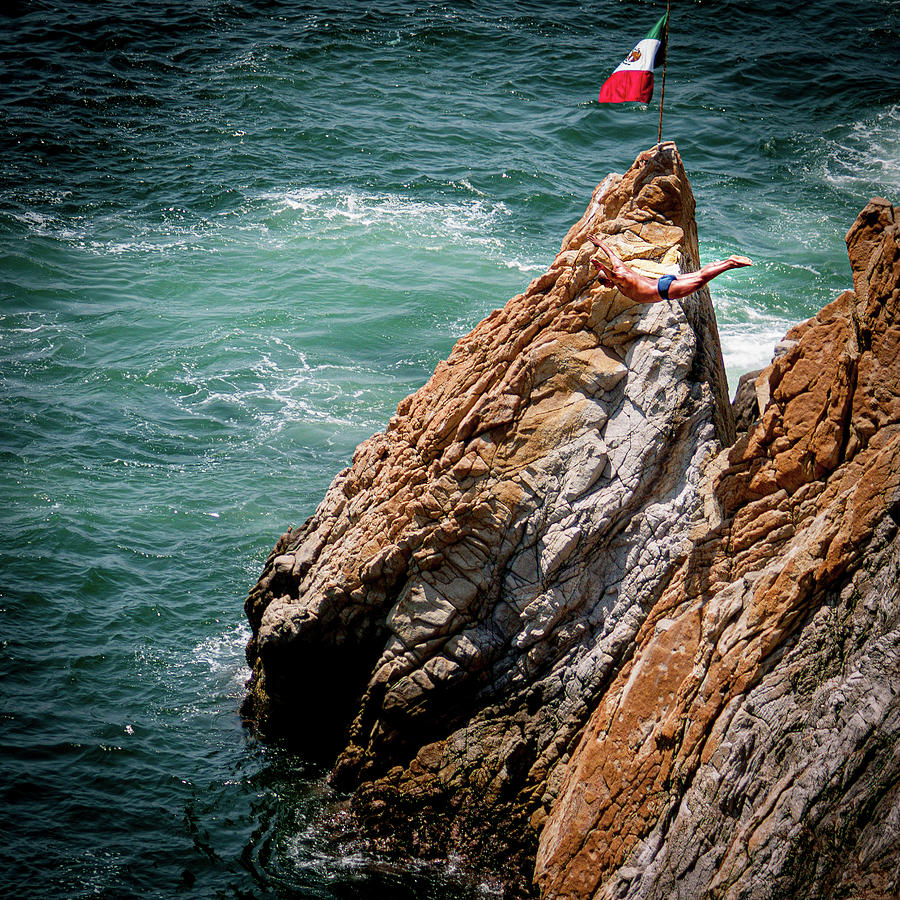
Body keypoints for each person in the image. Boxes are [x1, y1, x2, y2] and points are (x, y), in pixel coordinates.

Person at [588, 234, 752, 304]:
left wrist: (602, 267)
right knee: (700, 275)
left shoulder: (620, 279)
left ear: (610, 280)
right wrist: (601, 244)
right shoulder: (620, 267)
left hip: (664, 290)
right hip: (664, 281)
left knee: (701, 281)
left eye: (606, 284)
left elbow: (613, 275)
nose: (607, 287)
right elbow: (612, 256)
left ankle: (731, 263)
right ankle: (726, 262)